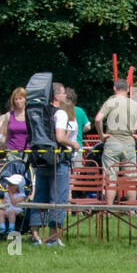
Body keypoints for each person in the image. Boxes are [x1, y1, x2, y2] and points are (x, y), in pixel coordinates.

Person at [31, 82, 80, 245]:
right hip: (58, 161)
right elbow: (59, 137)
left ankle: (35, 236)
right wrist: (73, 144)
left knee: (39, 198)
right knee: (57, 199)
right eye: (64, 93)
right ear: (57, 96)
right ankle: (52, 237)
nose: (66, 96)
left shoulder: (39, 112)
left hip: (40, 160)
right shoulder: (61, 113)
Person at [97, 79, 137, 204]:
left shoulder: (110, 102)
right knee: (130, 176)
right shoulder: (135, 104)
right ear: (128, 89)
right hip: (129, 142)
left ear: (114, 88)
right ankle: (131, 209)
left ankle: (109, 208)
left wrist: (101, 135)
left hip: (112, 141)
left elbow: (98, 119)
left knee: (111, 176)